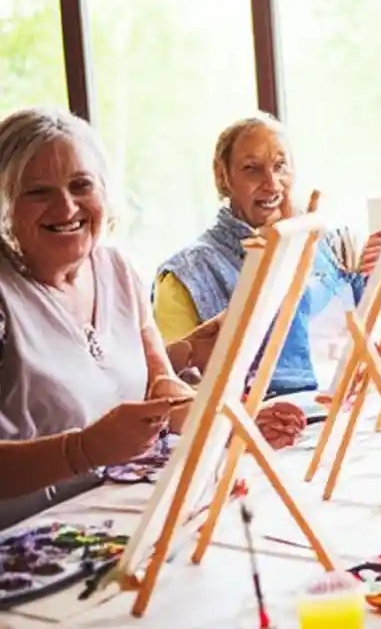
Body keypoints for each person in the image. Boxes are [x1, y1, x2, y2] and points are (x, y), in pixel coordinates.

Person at [0, 107, 287, 525]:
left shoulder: (115, 268)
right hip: (24, 551)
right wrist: (80, 450)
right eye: (38, 192)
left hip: (113, 522)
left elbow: (161, 392)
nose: (66, 207)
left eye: (81, 185)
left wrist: (234, 423)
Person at [153, 114, 381, 402]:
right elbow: (173, 389)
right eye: (252, 169)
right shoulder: (186, 274)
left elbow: (373, 339)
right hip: (254, 433)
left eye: (280, 166)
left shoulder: (329, 244)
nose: (272, 184)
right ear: (224, 177)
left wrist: (380, 275)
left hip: (344, 414)